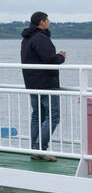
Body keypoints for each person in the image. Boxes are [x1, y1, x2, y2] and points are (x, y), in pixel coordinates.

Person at [21, 12, 66, 161]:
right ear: (41, 22)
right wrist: (61, 57)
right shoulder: (41, 38)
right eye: (47, 20)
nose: (49, 22)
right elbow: (50, 59)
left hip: (32, 83)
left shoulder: (27, 39)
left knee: (37, 115)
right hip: (46, 83)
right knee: (53, 116)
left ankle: (35, 148)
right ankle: (41, 147)